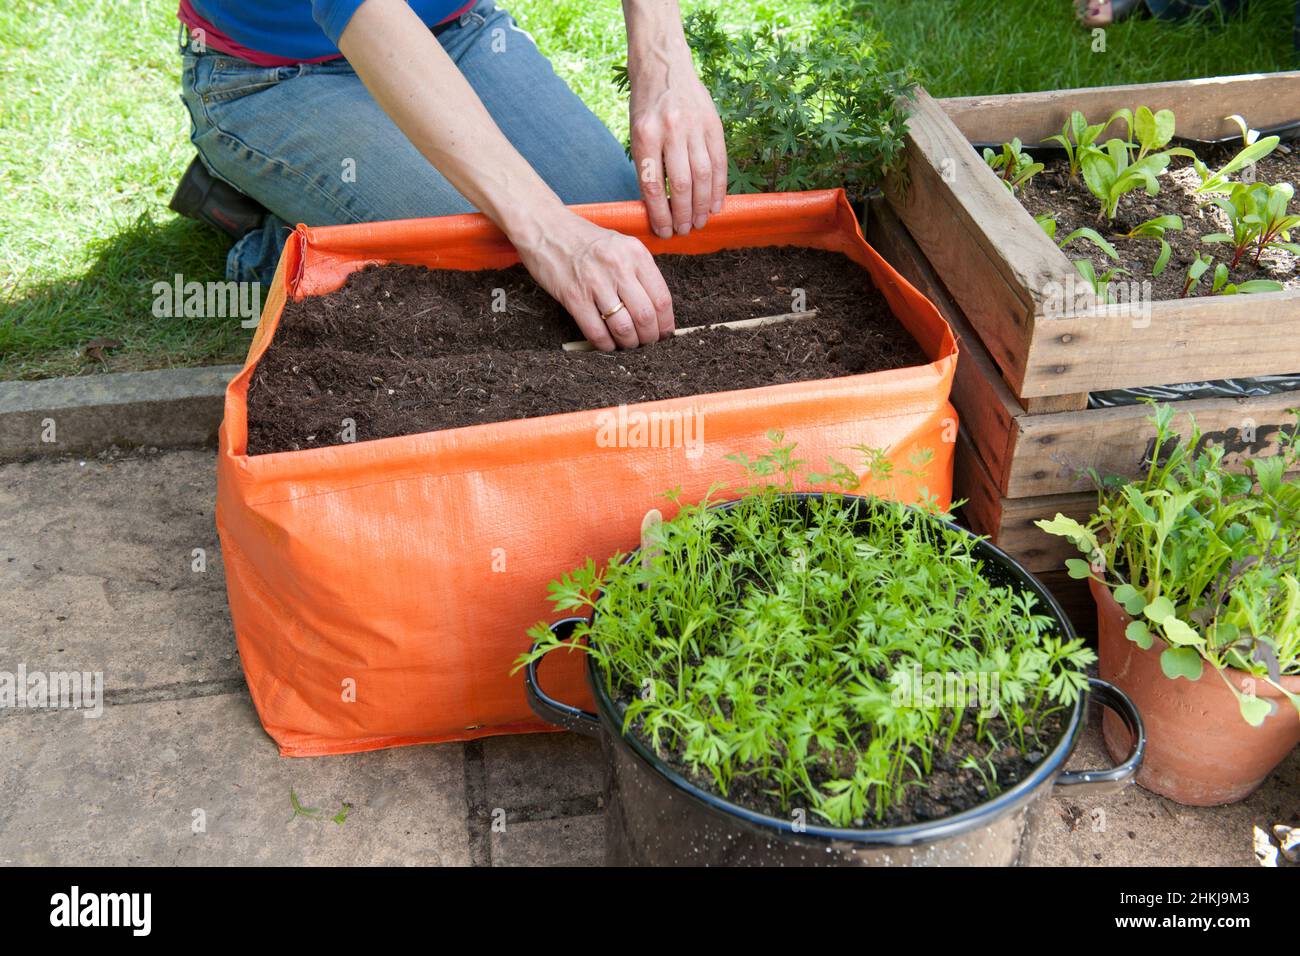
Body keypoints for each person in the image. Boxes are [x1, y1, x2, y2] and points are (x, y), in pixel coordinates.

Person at [173, 0, 728, 351]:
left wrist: (662, 63)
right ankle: (273, 245)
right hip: (272, 73)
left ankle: (336, 205)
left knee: (620, 225)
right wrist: (547, 233)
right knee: (486, 273)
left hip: (452, 30)